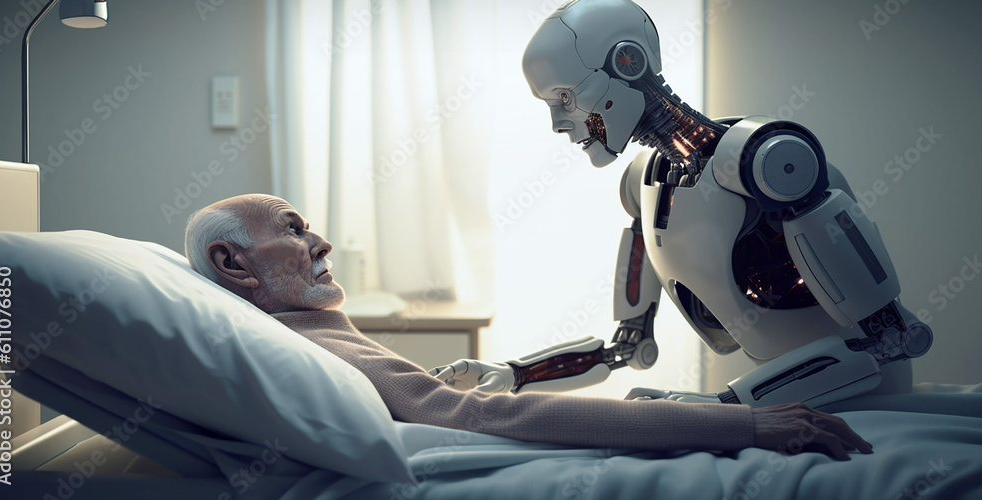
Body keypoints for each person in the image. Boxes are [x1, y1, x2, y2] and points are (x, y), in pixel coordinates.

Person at [184, 193, 872, 460]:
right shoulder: (307, 341)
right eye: (295, 229)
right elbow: (476, 416)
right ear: (233, 265)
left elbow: (457, 404)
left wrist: (511, 373)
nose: (322, 243)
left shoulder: (292, 338)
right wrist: (749, 428)